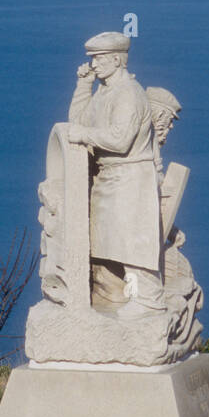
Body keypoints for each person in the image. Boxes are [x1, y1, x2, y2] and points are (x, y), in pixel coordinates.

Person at [64, 32, 163, 317]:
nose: (94, 64)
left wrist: (83, 134)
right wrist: (83, 85)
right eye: (92, 59)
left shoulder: (129, 94)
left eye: (99, 58)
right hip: (109, 177)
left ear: (117, 60)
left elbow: (120, 140)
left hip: (131, 178)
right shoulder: (105, 91)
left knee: (133, 243)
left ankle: (148, 301)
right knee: (107, 243)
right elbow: (77, 121)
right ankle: (116, 298)